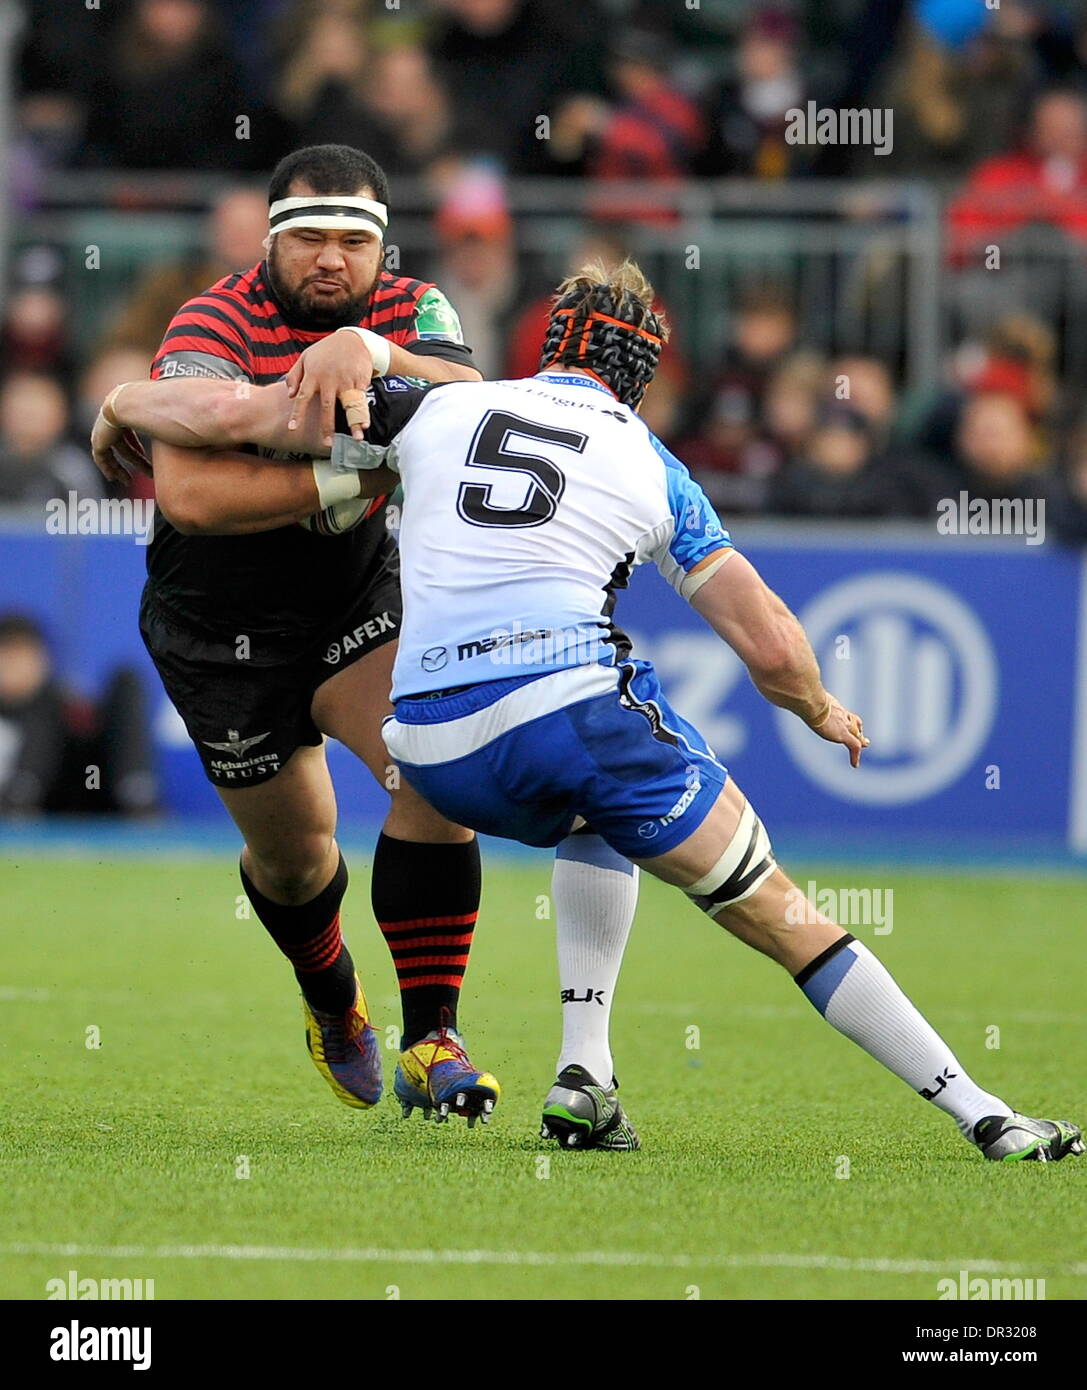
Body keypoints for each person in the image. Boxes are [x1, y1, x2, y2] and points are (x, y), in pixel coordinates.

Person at [97, 260, 1083, 1161]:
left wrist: (125, 401)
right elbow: (770, 642)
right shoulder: (651, 460)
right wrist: (818, 705)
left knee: (589, 818)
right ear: (643, 376)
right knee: (776, 908)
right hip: (568, 711)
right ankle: (985, 1115)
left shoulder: (441, 407)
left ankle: (585, 1077)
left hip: (433, 740)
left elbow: (236, 415)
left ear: (546, 346)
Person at [92, 145, 648, 1143]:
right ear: (270, 241)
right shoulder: (213, 319)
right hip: (220, 634)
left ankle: (433, 1037)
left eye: (355, 239)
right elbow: (192, 494)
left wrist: (373, 356)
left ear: (384, 245)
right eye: (308, 236)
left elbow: (463, 398)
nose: (332, 259)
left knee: (431, 777)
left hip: (359, 604)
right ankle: (330, 997)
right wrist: (346, 472)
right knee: (297, 860)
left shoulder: (415, 308)